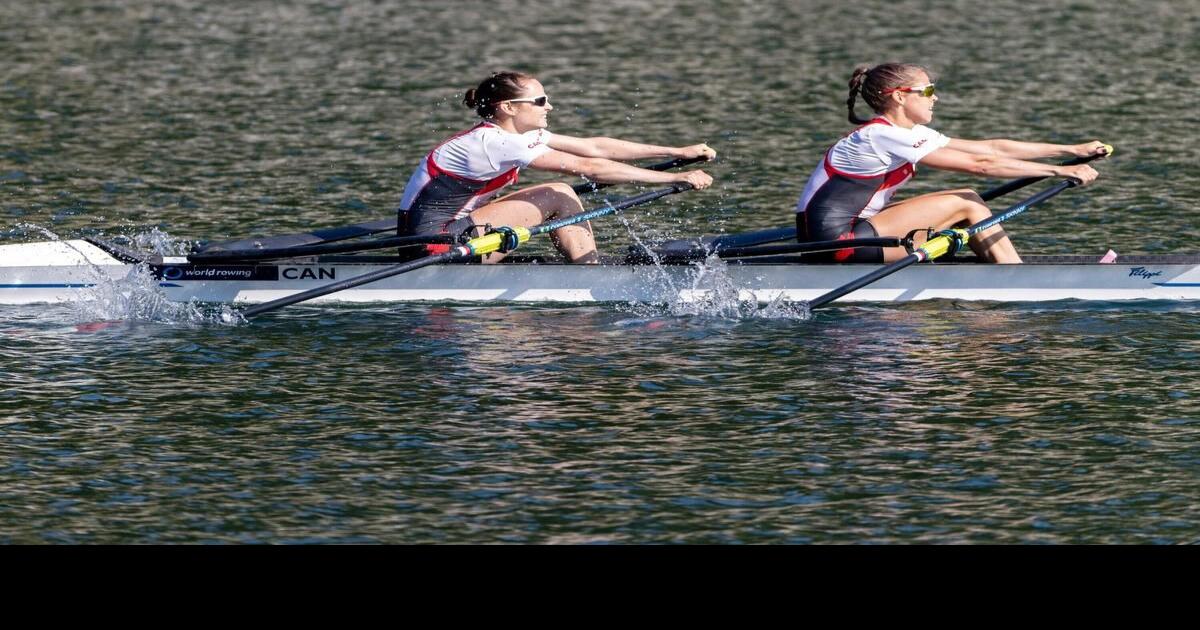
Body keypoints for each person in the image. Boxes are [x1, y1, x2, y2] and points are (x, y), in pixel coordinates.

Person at [796, 63, 1106, 264]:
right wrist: (1060, 171)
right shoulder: (882, 135)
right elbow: (981, 165)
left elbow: (992, 147)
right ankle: (1015, 274)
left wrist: (1071, 148)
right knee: (968, 201)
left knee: (965, 203)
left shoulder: (904, 133)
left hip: (834, 236)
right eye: (928, 90)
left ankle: (1001, 269)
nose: (935, 98)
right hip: (836, 243)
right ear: (900, 97)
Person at [398, 71, 715, 263]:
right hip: (433, 247)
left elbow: (595, 147)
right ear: (508, 108)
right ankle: (588, 275)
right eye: (539, 101)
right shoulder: (495, 142)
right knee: (558, 194)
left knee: (557, 194)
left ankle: (583, 267)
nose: (548, 106)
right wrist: (674, 178)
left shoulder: (516, 134)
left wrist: (677, 151)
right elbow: (588, 166)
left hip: (449, 234)